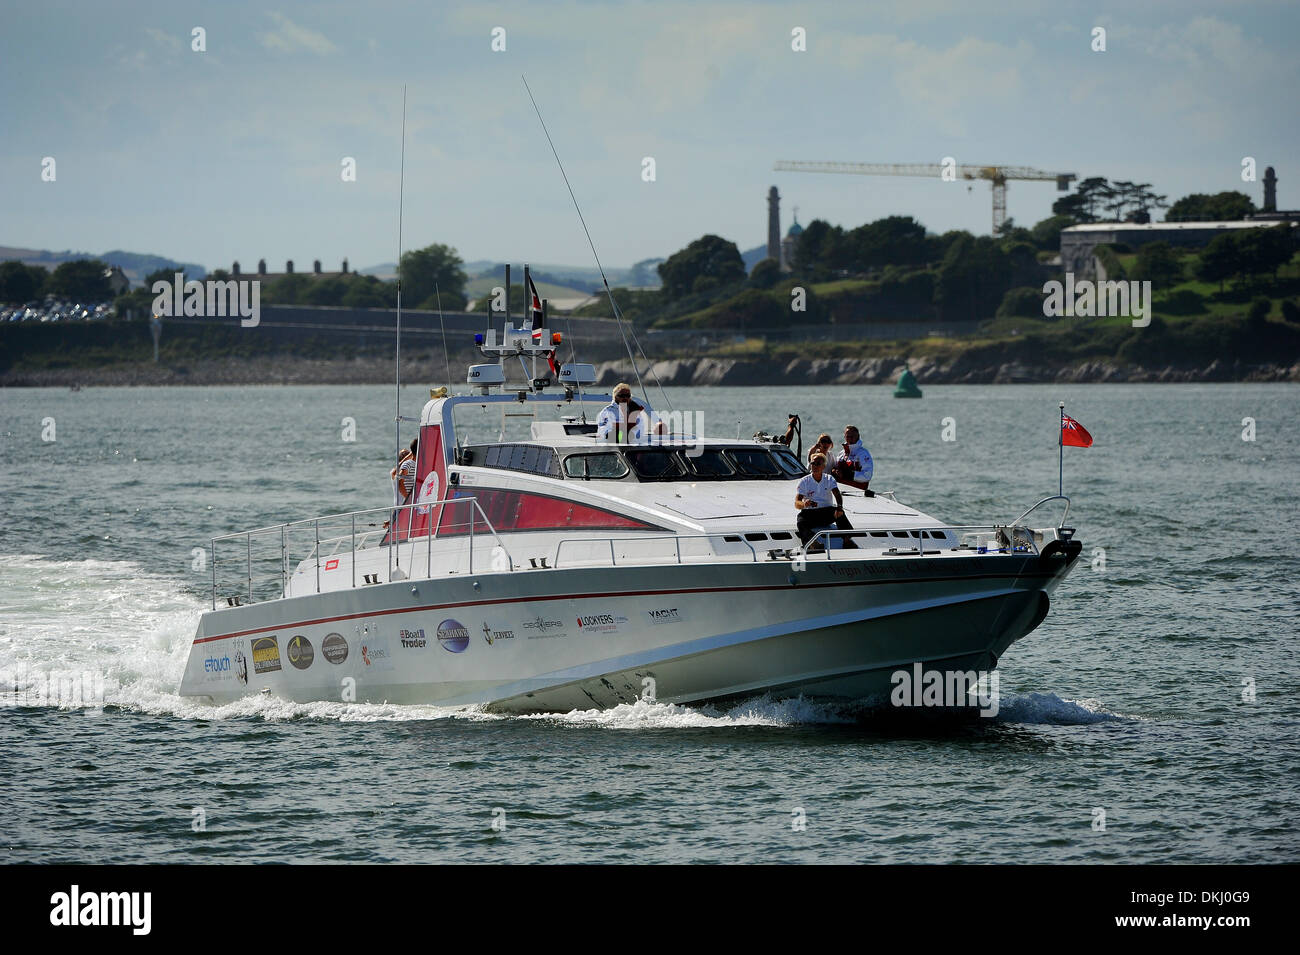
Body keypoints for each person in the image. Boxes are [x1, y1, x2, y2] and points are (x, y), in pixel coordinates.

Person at [795, 453, 855, 548]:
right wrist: (804, 504)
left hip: (826, 512)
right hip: (810, 513)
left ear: (823, 466)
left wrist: (840, 507)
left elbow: (837, 494)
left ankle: (847, 540)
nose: (814, 466)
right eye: (812, 463)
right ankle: (813, 544)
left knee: (839, 513)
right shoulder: (804, 481)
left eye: (818, 464)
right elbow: (797, 502)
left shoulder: (829, 479)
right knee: (800, 521)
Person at [596, 382, 664, 442]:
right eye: (622, 396)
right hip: (614, 446)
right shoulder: (607, 411)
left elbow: (640, 429)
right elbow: (603, 431)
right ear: (615, 397)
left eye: (628, 396)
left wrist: (630, 435)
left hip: (633, 444)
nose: (625, 398)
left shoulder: (635, 411)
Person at [831, 425, 874, 496]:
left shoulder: (863, 453)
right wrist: (834, 472)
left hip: (857, 494)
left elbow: (867, 475)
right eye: (848, 436)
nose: (850, 439)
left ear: (858, 437)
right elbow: (835, 469)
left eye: (852, 436)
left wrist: (846, 474)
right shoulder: (841, 453)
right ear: (844, 437)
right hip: (840, 492)